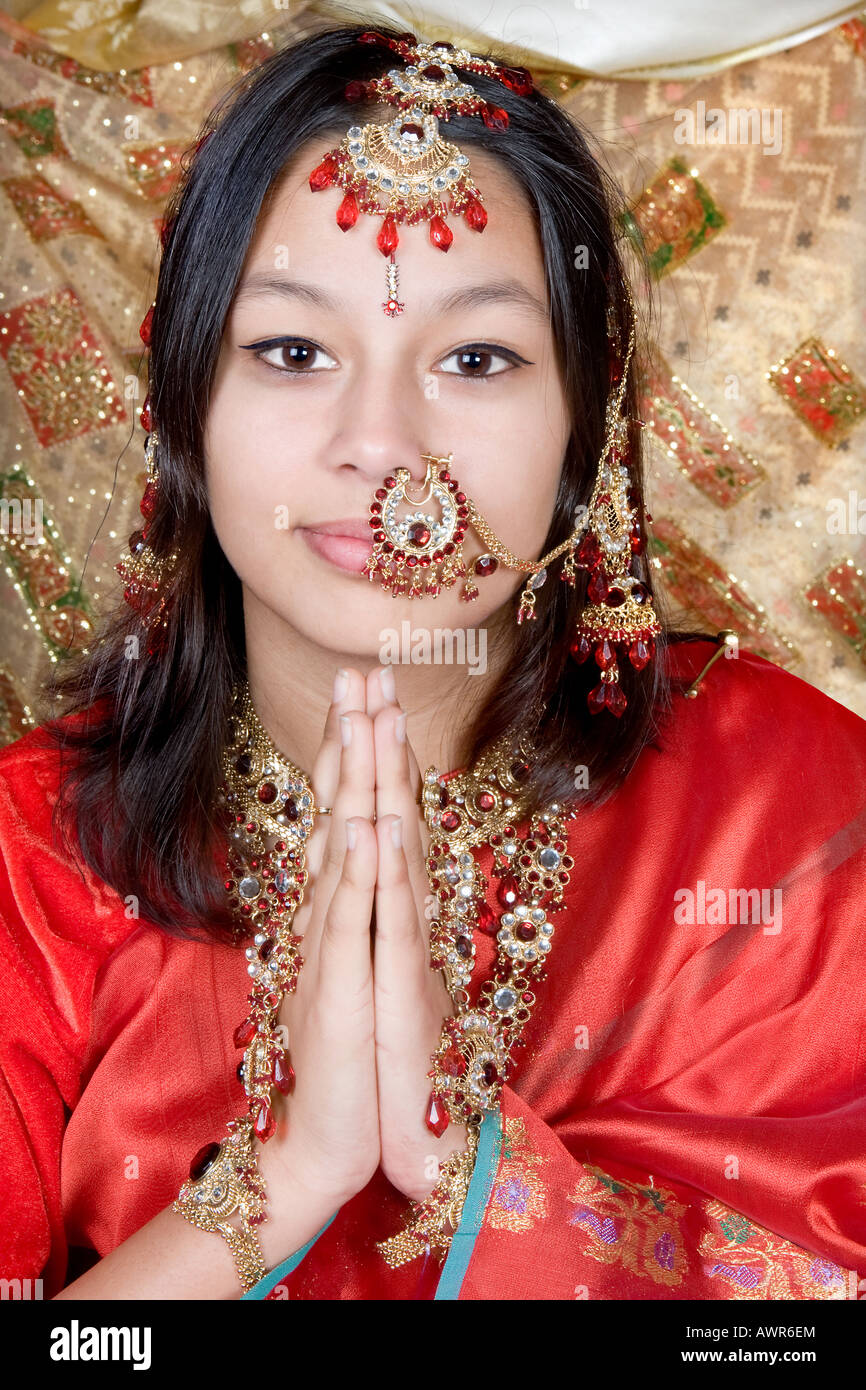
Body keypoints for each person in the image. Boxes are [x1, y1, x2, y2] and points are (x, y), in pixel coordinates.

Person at [0, 20, 864, 1302]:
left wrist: (471, 1174)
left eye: (475, 358)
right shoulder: (38, 866)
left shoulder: (789, 819)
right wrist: (282, 1183)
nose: (382, 445)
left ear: (585, 424)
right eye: (292, 351)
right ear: (185, 406)